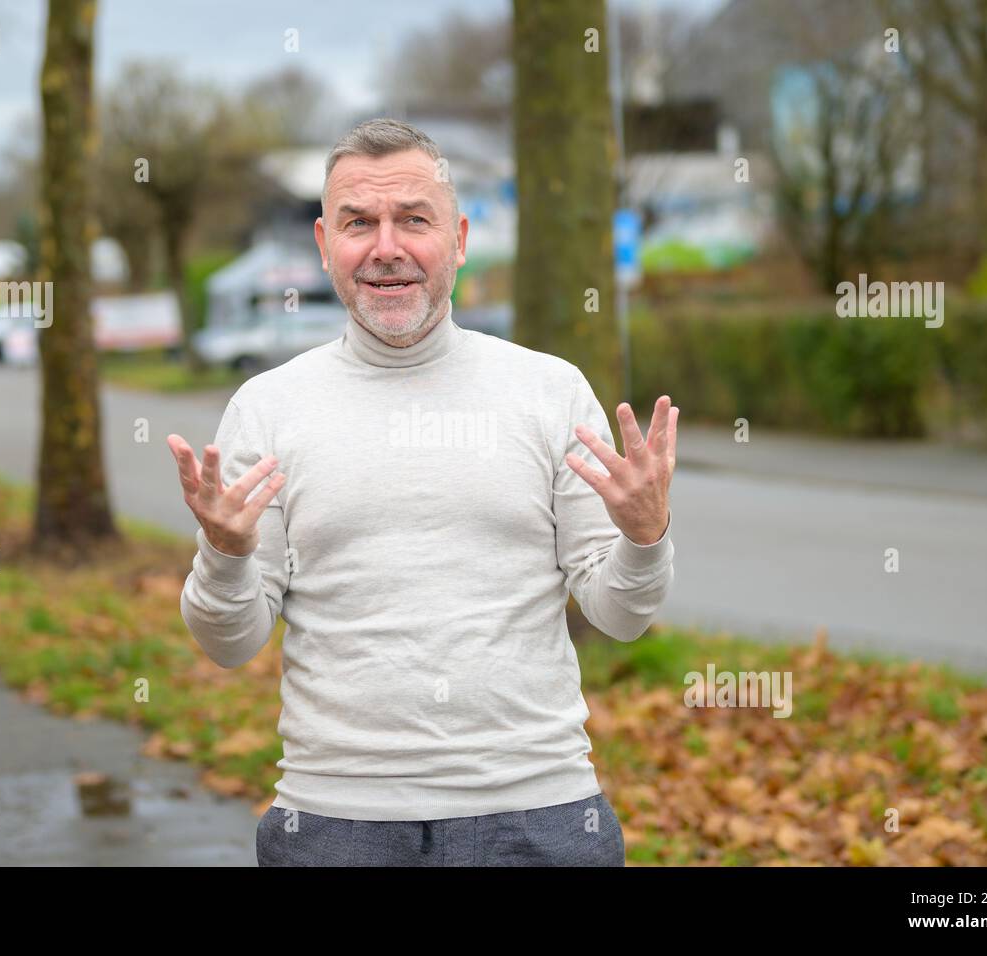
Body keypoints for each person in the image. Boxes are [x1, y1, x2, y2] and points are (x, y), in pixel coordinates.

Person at [168, 118, 678, 866]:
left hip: (539, 813)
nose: (386, 247)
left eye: (414, 220)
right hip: (335, 825)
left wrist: (644, 537)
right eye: (358, 223)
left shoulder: (549, 391)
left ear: (460, 239)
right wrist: (223, 554)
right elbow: (229, 642)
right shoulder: (268, 407)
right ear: (322, 245)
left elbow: (622, 616)